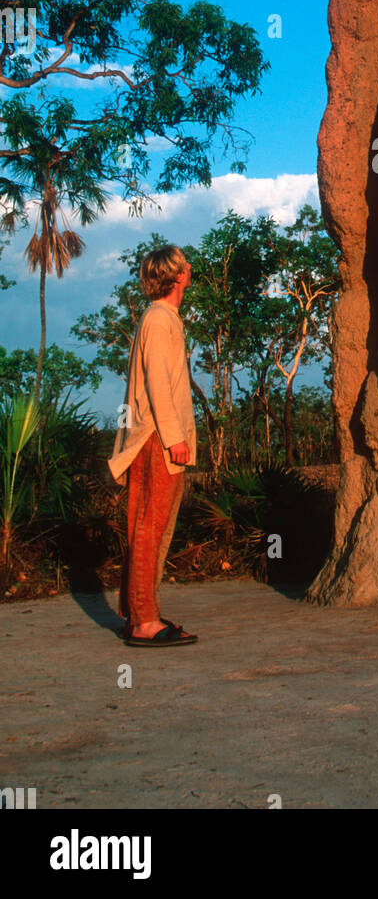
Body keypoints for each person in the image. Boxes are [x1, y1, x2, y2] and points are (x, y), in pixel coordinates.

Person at [109, 245, 198, 647]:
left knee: (148, 527)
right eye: (184, 264)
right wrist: (174, 437)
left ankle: (138, 613)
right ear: (177, 275)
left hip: (153, 437)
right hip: (157, 440)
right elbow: (159, 384)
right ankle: (144, 621)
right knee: (149, 527)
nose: (190, 268)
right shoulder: (160, 319)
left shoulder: (163, 318)